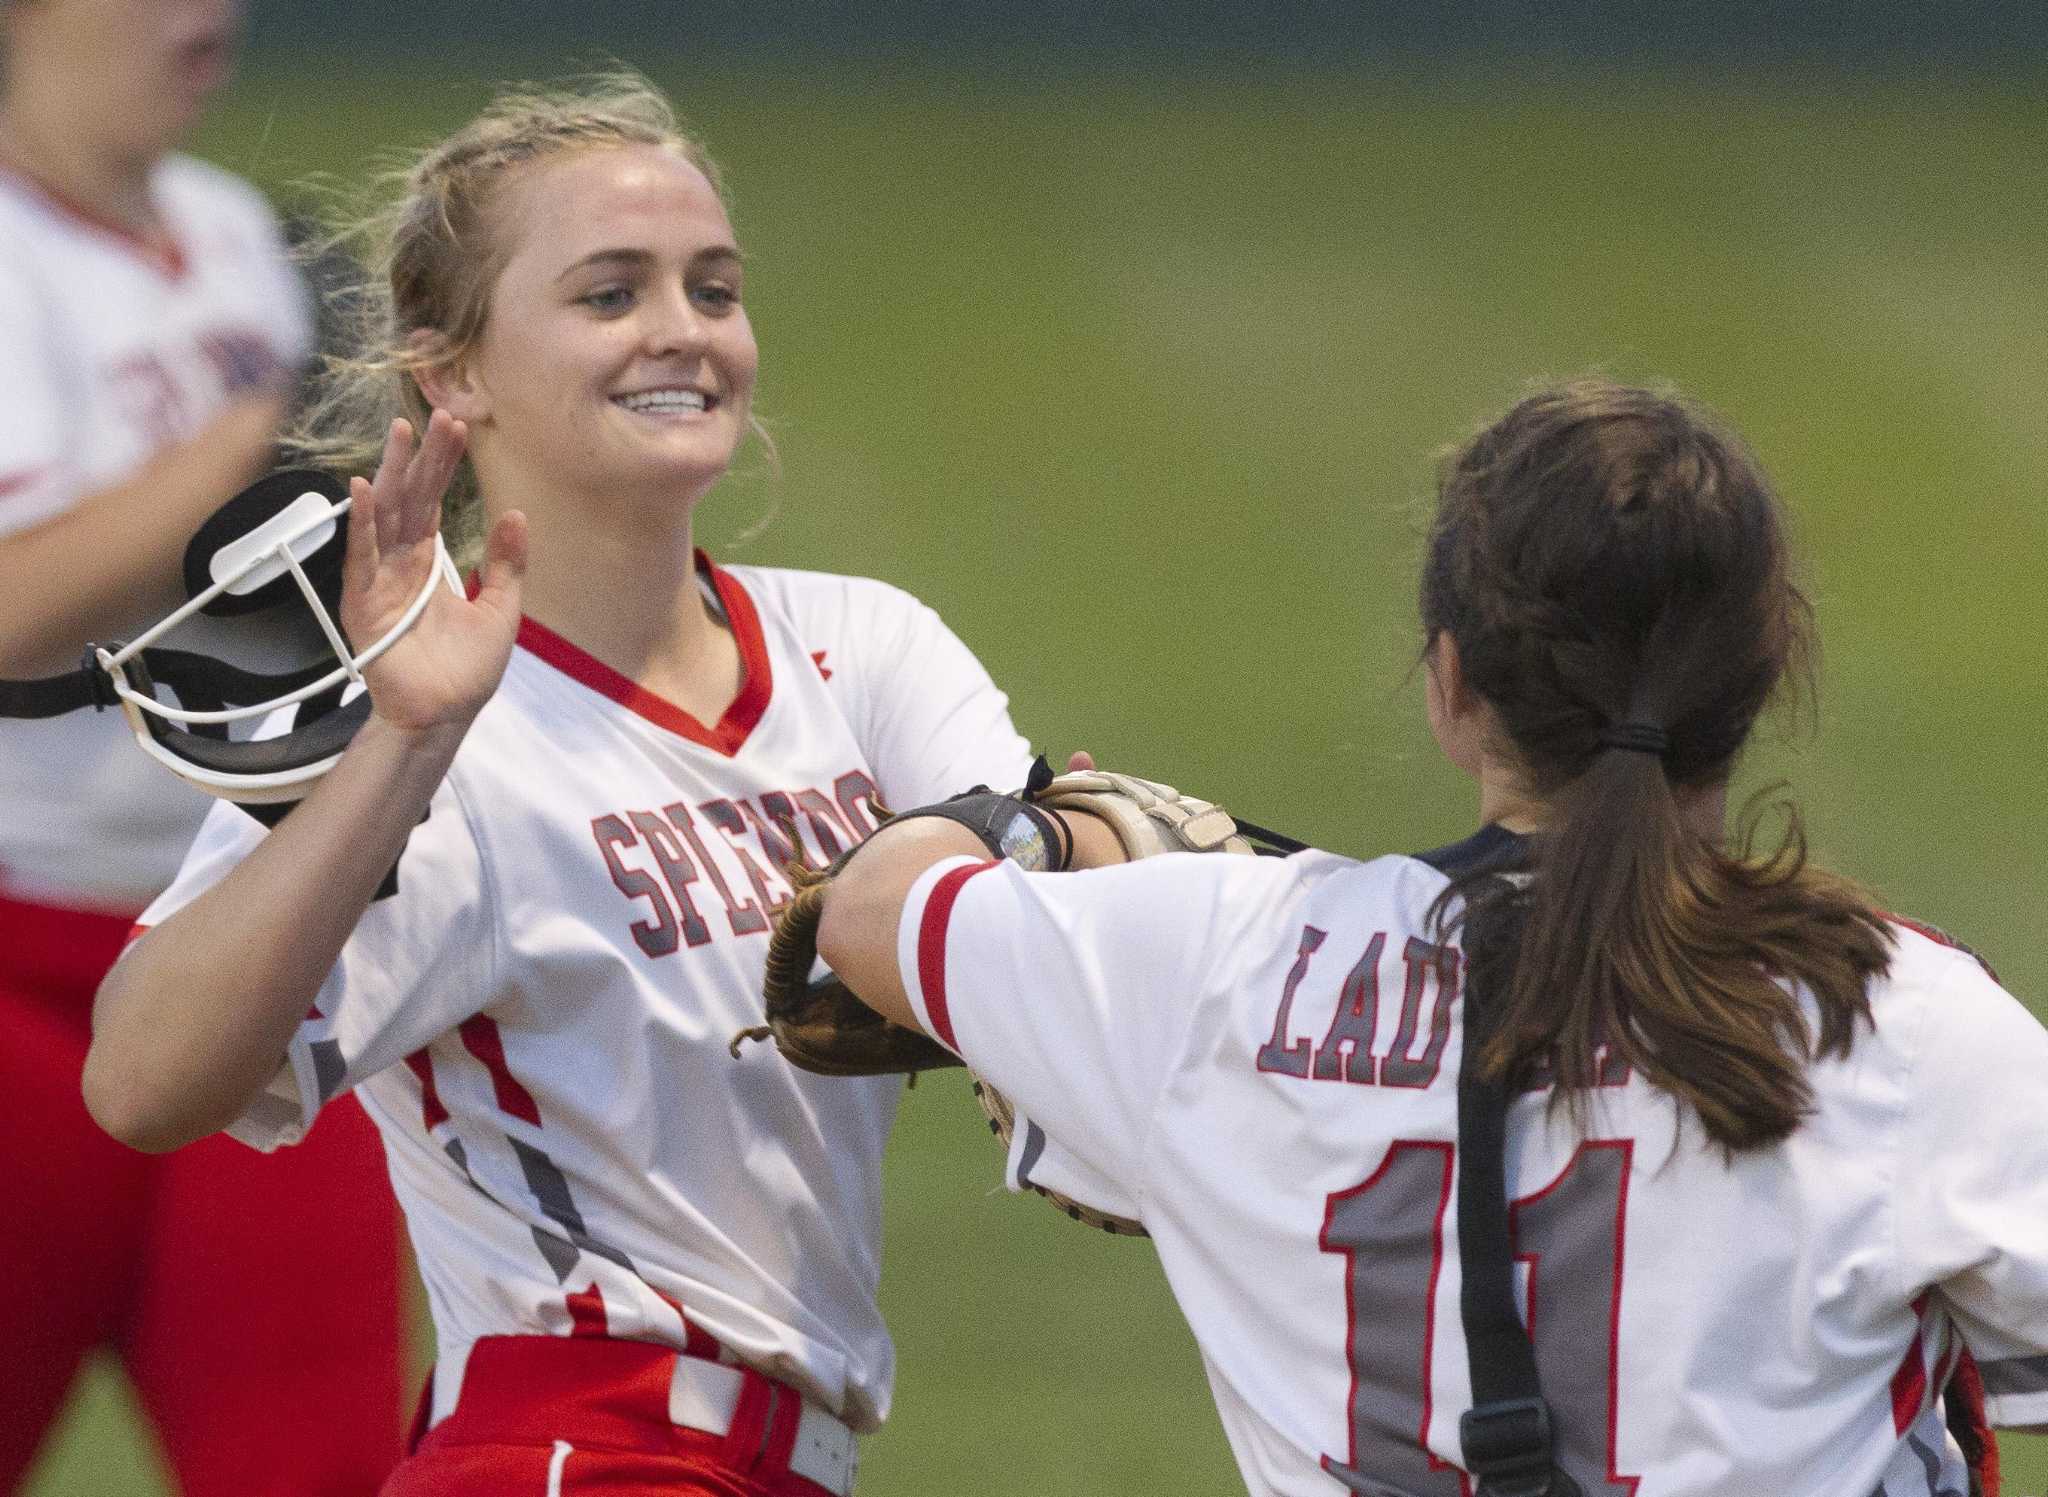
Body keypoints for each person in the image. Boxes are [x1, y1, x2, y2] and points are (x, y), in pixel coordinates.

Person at [86, 74, 1093, 1496]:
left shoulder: (859, 648)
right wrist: (402, 750)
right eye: (610, 295)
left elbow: (1071, 928)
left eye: (713, 287)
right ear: (453, 374)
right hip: (569, 1452)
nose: (682, 330)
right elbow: (138, 1081)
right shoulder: (425, 715)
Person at [812, 379, 2048, 1495]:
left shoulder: (1204, 964)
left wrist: (1052, 846)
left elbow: (871, 909)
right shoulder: (1890, 1023)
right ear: (1759, 679)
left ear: (1451, 684)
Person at [0, 0, 406, 1487]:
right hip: (14, 976)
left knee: (322, 1465)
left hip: (266, 961)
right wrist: (256, 445)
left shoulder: (249, 239)